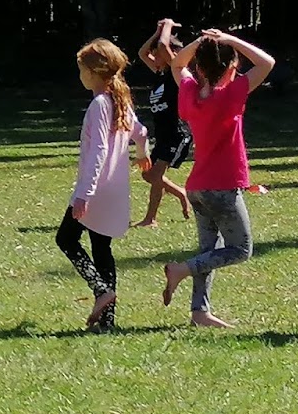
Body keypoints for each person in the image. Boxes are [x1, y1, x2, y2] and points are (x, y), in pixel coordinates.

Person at [159, 28, 276, 327]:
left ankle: (200, 312)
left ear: (199, 68)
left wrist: (200, 43)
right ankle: (181, 270)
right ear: (233, 68)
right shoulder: (231, 95)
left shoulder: (188, 94)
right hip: (222, 187)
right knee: (240, 249)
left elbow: (175, 64)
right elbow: (267, 63)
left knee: (208, 251)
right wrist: (230, 40)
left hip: (196, 187)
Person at [57, 39, 147, 333]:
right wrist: (143, 153)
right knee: (101, 248)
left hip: (95, 190)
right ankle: (107, 323)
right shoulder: (119, 98)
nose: (80, 75)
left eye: (82, 69)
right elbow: (141, 132)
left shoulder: (99, 104)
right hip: (114, 190)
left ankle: (100, 290)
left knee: (66, 239)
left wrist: (84, 194)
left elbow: (97, 153)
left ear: (94, 72)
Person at [133, 17, 193, 227]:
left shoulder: (176, 74)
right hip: (163, 134)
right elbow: (142, 53)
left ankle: (151, 218)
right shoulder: (159, 73)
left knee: (155, 175)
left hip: (177, 133)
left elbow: (163, 46)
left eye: (157, 55)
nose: (154, 58)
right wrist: (157, 31)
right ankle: (173, 199)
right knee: (149, 175)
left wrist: (167, 26)